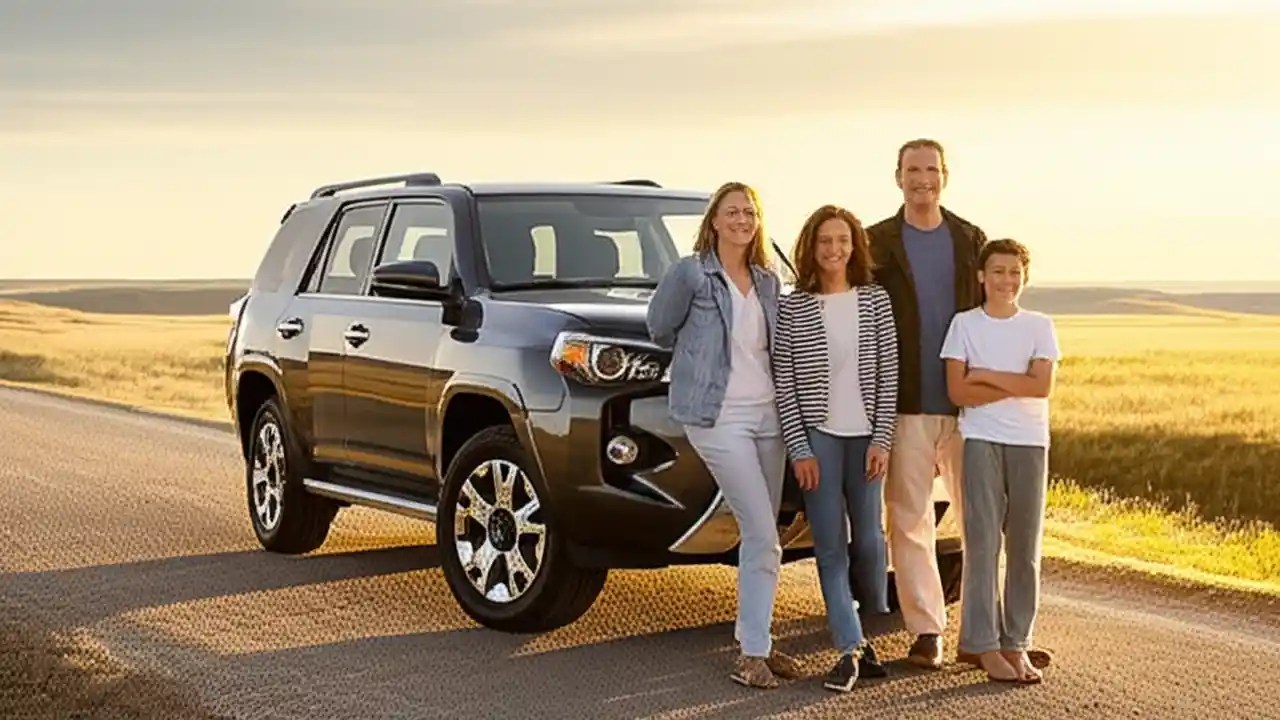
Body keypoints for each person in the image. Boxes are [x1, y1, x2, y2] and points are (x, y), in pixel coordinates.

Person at [646, 181, 801, 689]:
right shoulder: (691, 273)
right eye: (732, 211)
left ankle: (758, 641)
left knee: (764, 536)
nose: (741, 220)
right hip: (716, 417)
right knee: (761, 531)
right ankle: (751, 653)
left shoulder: (768, 279)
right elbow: (659, 328)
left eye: (750, 212)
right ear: (713, 220)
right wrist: (698, 362)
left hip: (768, 418)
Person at [866, 138, 988, 668]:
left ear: (945, 175)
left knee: (980, 518)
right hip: (905, 405)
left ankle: (986, 632)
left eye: (931, 169)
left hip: (969, 408)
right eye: (912, 170)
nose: (922, 179)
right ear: (897, 177)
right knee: (908, 519)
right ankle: (927, 631)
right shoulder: (874, 243)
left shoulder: (971, 240)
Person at [772, 205, 899, 692]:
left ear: (854, 245)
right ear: (811, 246)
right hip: (818, 439)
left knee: (868, 539)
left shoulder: (875, 301)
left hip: (866, 437)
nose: (833, 249)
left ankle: (866, 626)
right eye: (824, 241)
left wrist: (883, 438)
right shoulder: (793, 307)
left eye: (842, 240)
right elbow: (785, 382)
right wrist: (799, 448)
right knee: (829, 546)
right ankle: (848, 645)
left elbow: (889, 375)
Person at [940, 238, 1059, 684]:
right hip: (981, 440)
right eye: (998, 271)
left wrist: (986, 374)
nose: (1007, 281)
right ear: (981, 277)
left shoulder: (1040, 326)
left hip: (1029, 442)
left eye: (1015, 273)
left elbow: (1041, 386)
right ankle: (983, 645)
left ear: (1024, 278)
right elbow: (958, 392)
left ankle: (1017, 644)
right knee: (984, 546)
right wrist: (1018, 380)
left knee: (1025, 550)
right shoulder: (964, 325)